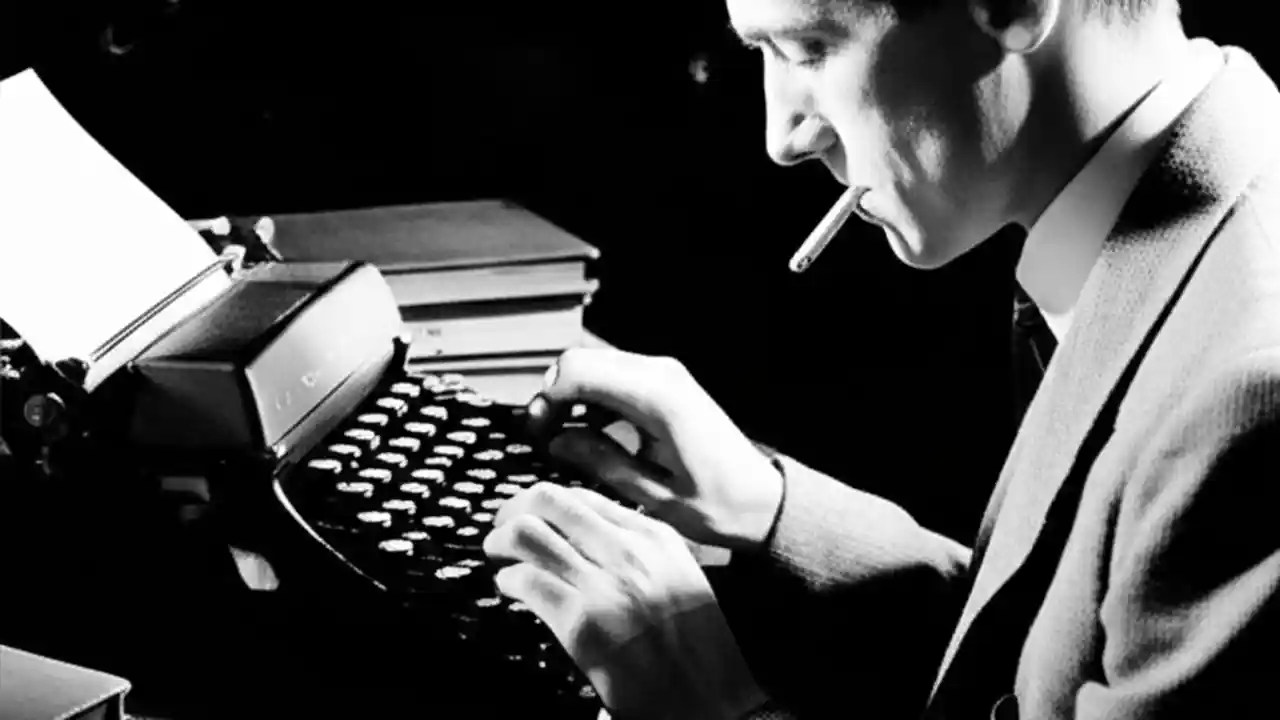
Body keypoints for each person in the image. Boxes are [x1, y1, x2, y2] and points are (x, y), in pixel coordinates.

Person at [483, 0, 1280, 718]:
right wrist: (769, 509)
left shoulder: (1248, 395)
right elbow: (1048, 665)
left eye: (809, 49)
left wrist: (715, 707)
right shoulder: (1183, 213)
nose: (783, 138)